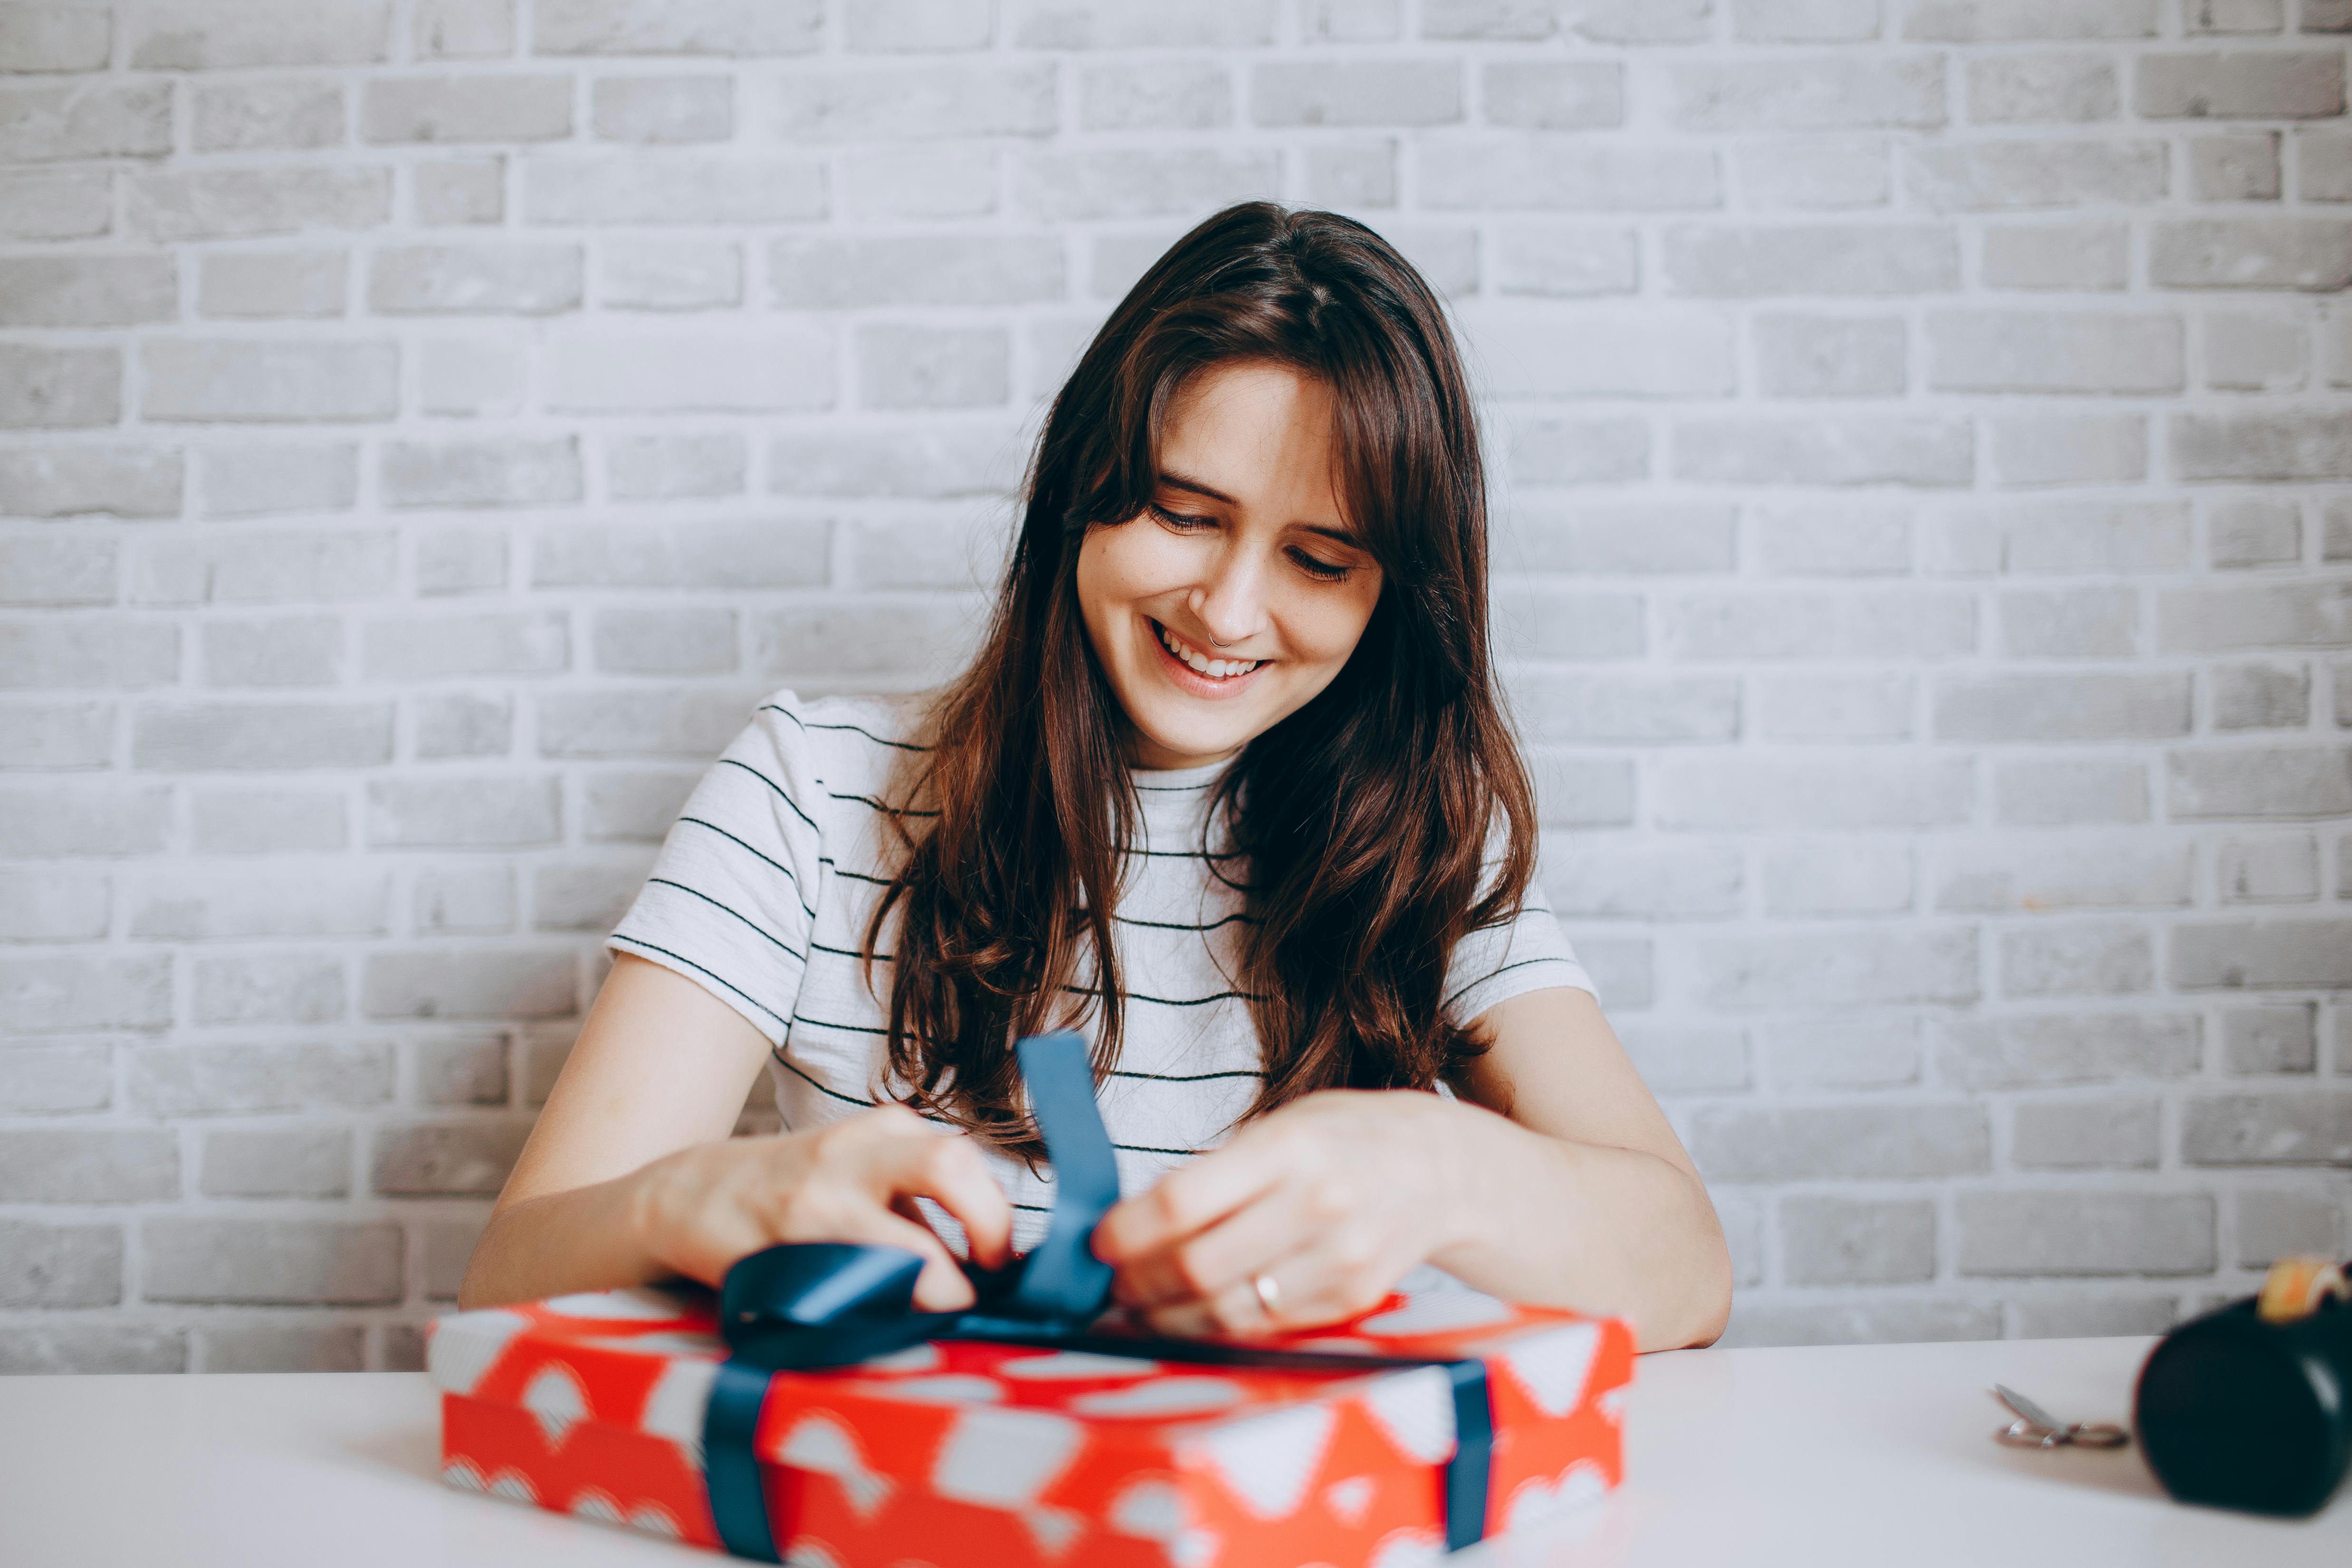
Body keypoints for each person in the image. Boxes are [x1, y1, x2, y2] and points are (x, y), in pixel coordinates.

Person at [459, 202, 1732, 1352]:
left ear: (1393, 599)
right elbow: (509, 1291)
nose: (1230, 609)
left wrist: (1439, 1170)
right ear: (1082, 487)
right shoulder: (812, 793)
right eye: (1184, 513)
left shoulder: (1426, 849)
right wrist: (710, 1197)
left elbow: (1688, 1274)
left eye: (1320, 558)